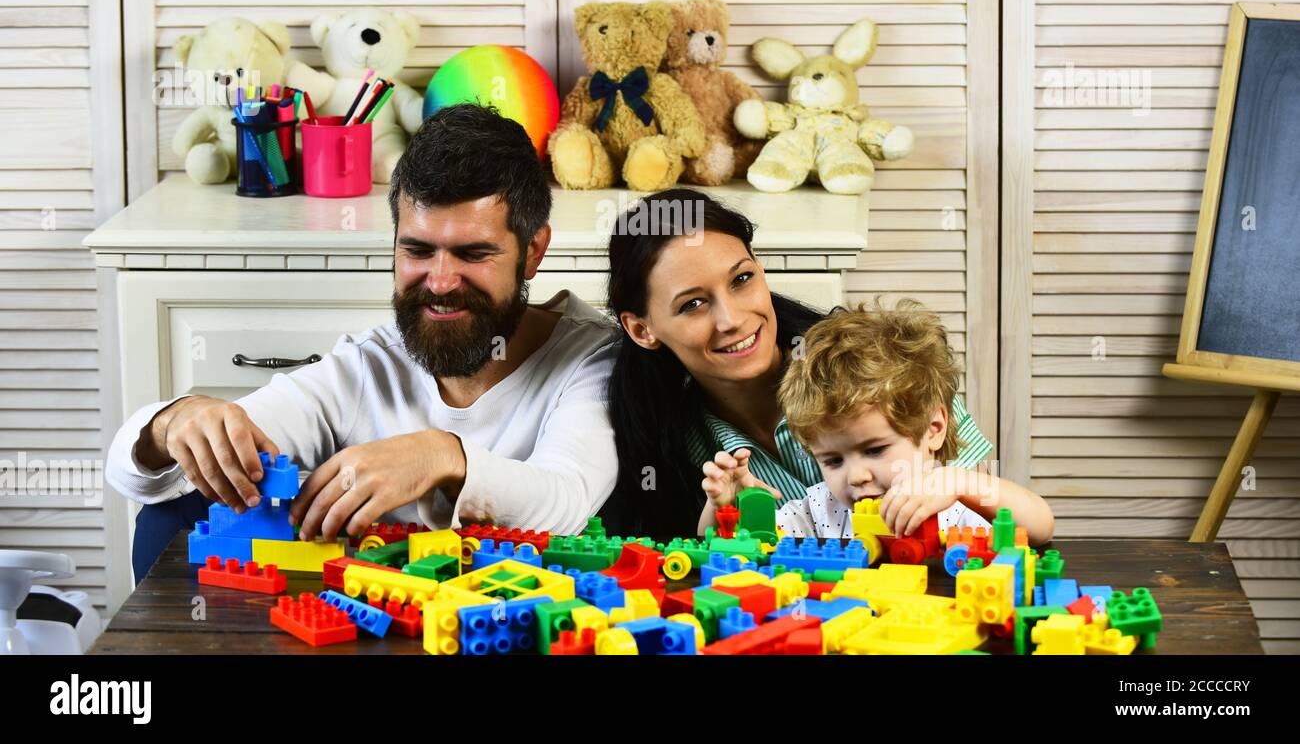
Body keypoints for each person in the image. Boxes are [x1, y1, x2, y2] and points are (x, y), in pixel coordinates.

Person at [106, 105, 619, 541]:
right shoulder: (369, 364)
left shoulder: (593, 358)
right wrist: (174, 423)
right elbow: (141, 481)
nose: (440, 281)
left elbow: (566, 501)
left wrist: (441, 456)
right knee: (168, 517)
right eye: (418, 250)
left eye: (473, 253)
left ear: (532, 251)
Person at [600, 188, 993, 541]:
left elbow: (996, 517)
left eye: (741, 279)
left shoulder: (873, 368)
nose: (732, 319)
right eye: (693, 304)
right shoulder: (672, 445)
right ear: (641, 330)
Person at [699, 301, 1055, 546]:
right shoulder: (820, 511)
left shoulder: (952, 502)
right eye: (833, 460)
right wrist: (724, 510)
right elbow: (736, 544)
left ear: (933, 429)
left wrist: (960, 482)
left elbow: (1039, 526)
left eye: (875, 449)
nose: (855, 477)